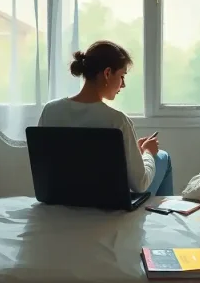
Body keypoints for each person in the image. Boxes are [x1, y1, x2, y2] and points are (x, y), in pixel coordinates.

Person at [38, 40, 174, 196]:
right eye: (122, 76)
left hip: (61, 196)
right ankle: (164, 210)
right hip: (107, 200)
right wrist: (147, 152)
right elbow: (140, 184)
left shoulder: (50, 110)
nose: (123, 85)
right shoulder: (117, 120)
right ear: (107, 73)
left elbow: (44, 166)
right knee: (162, 157)